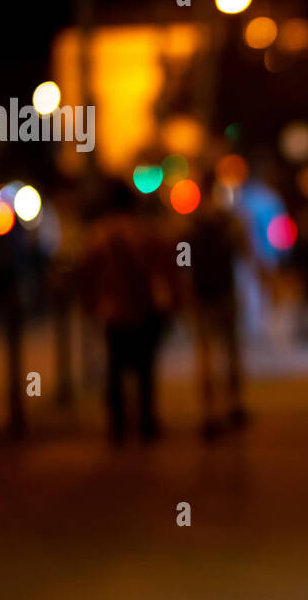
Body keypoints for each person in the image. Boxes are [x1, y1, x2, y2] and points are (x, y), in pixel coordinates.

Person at [80, 178, 179, 443]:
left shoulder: (99, 235)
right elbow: (164, 269)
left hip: (114, 310)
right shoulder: (146, 232)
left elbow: (88, 274)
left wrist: (91, 305)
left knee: (116, 366)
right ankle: (147, 420)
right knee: (145, 367)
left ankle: (118, 424)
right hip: (143, 308)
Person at [183, 168, 251, 440]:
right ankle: (234, 405)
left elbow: (182, 261)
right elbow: (244, 252)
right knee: (231, 350)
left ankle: (208, 413)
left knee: (205, 355)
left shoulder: (189, 223)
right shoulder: (229, 221)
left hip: (201, 295)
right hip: (226, 292)